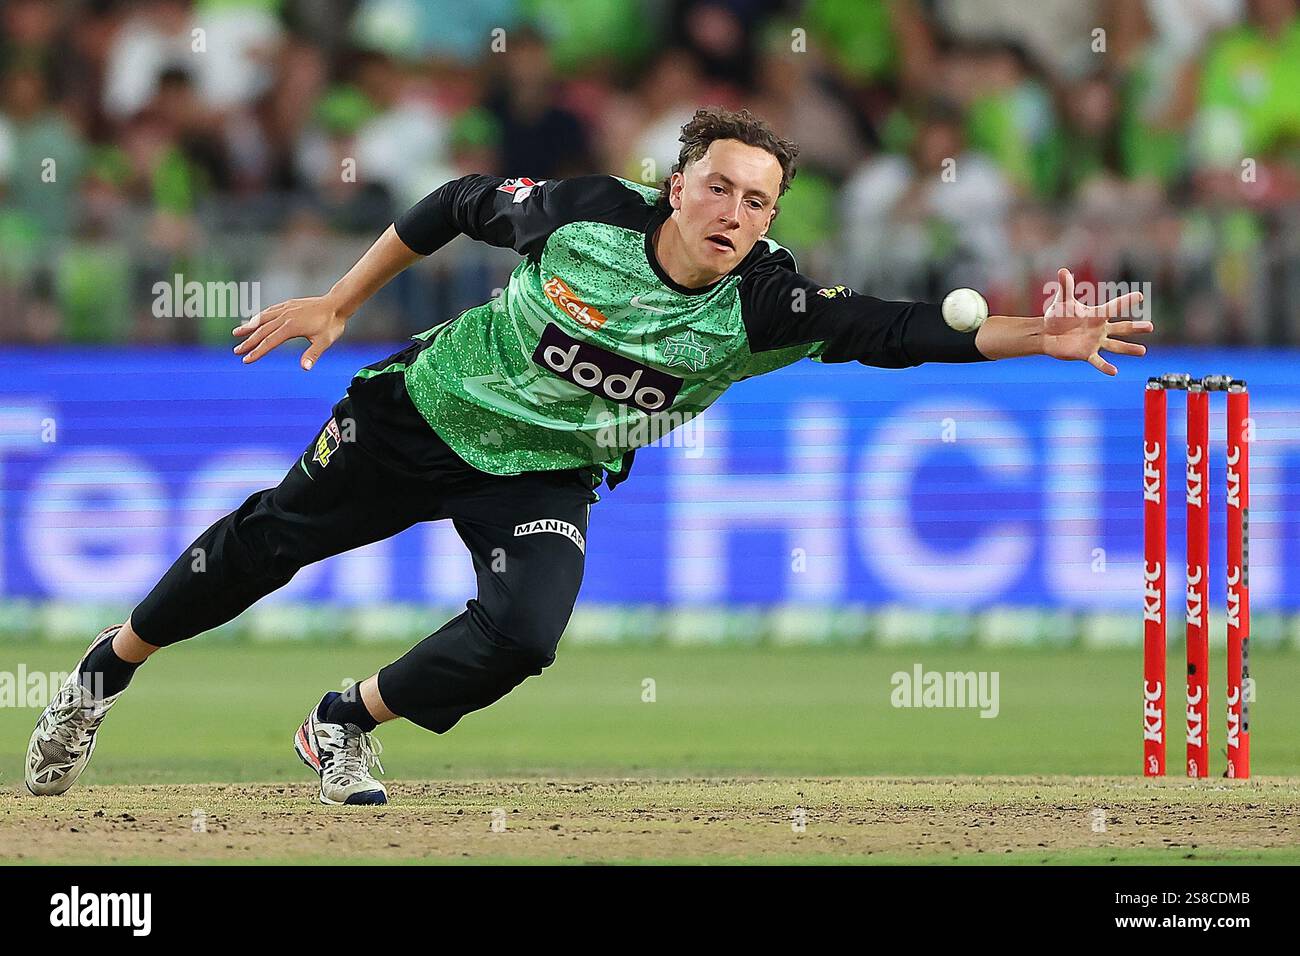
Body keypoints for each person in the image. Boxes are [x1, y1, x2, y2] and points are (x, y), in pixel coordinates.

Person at [25, 107, 1150, 805]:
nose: (734, 210)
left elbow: (905, 333)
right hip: (424, 409)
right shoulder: (580, 215)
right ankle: (104, 671)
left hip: (544, 471)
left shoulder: (770, 303)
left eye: (757, 201)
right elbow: (449, 203)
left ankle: (341, 724)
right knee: (269, 542)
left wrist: (1034, 335)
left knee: (523, 635)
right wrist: (338, 298)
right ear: (676, 183)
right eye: (718, 185)